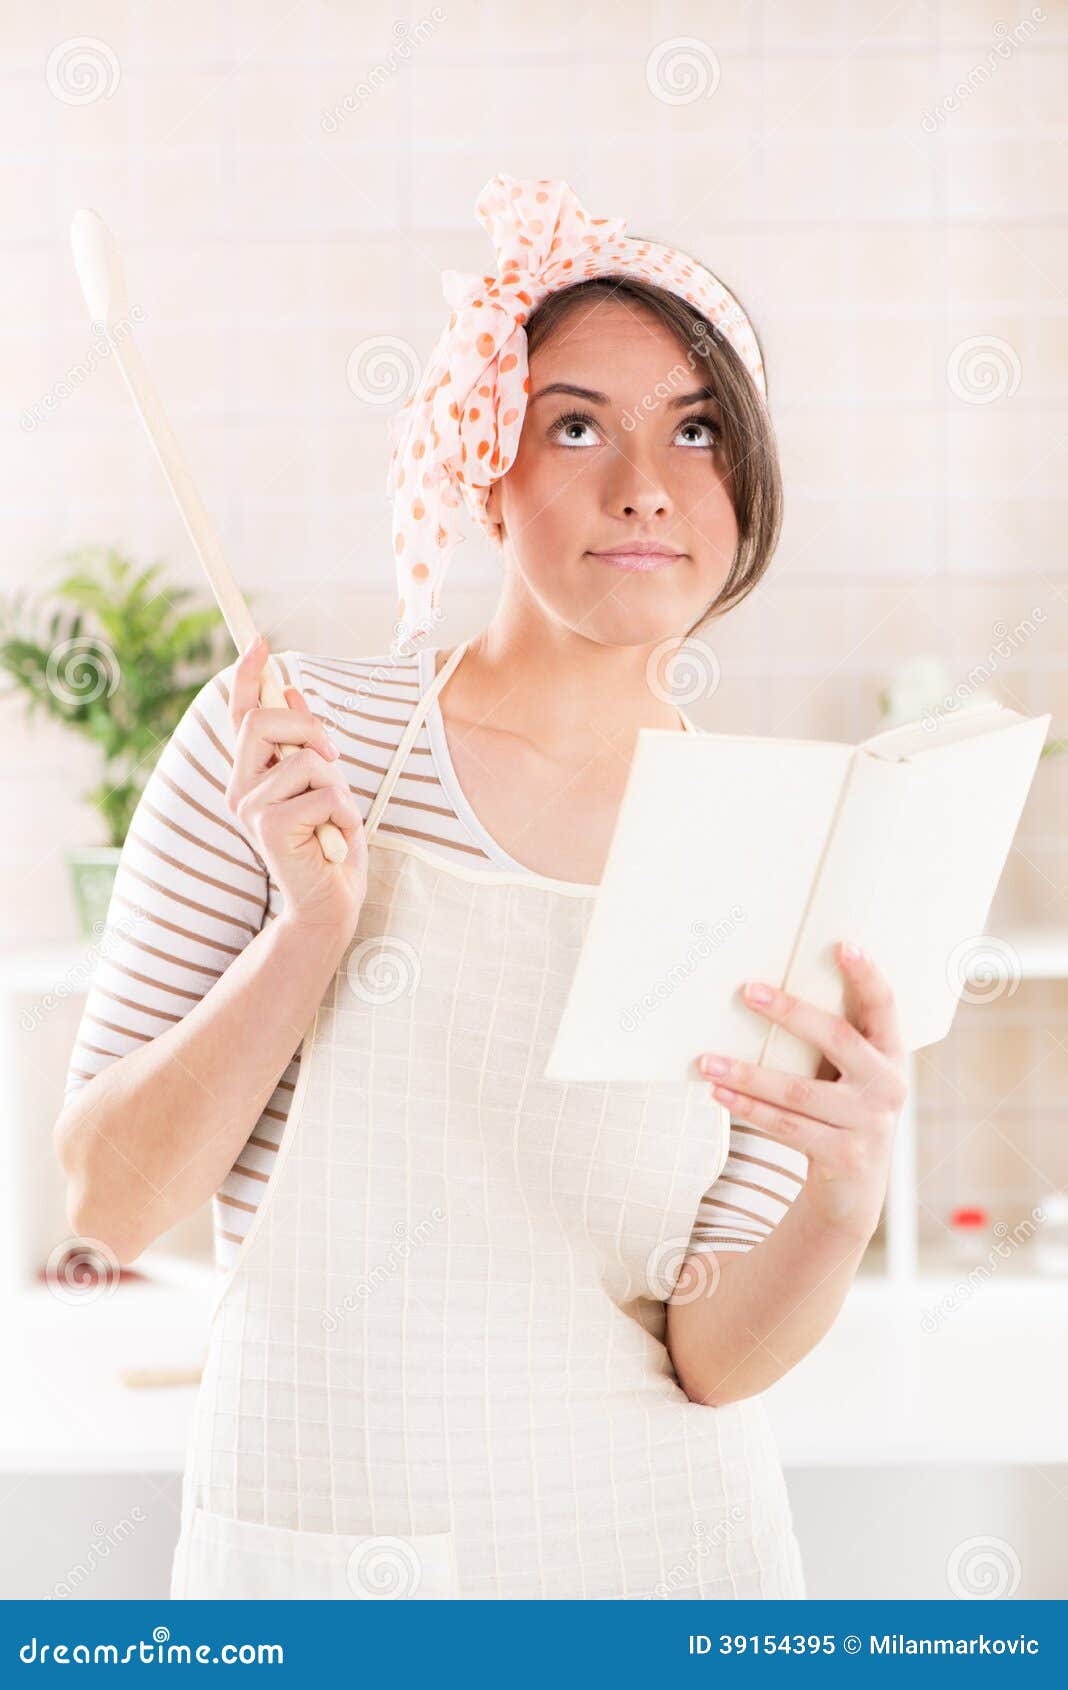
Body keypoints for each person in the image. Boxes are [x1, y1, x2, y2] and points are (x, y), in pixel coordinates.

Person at [56, 175, 908, 1601]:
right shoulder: (285, 738)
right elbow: (107, 1201)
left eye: (697, 431)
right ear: (478, 456)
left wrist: (845, 1192)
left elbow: (713, 1353)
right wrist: (310, 930)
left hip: (664, 1570)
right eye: (576, 423)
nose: (644, 481)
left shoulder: (790, 843)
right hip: (326, 1575)